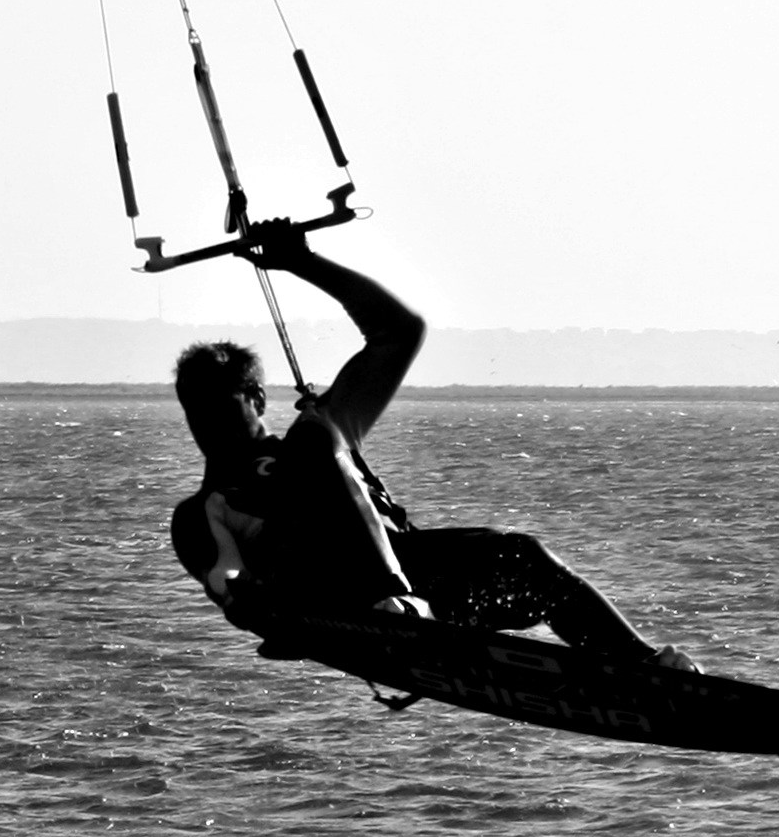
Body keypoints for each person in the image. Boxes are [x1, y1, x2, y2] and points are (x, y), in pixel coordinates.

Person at [166, 222, 685, 667]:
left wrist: (301, 260)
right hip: (326, 605)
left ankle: (648, 670)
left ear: (256, 397)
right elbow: (226, 575)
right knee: (313, 441)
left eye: (218, 403)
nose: (204, 420)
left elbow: (399, 331)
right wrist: (249, 599)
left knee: (519, 555)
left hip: (422, 593)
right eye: (194, 408)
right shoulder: (202, 512)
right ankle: (391, 605)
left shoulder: (317, 438)